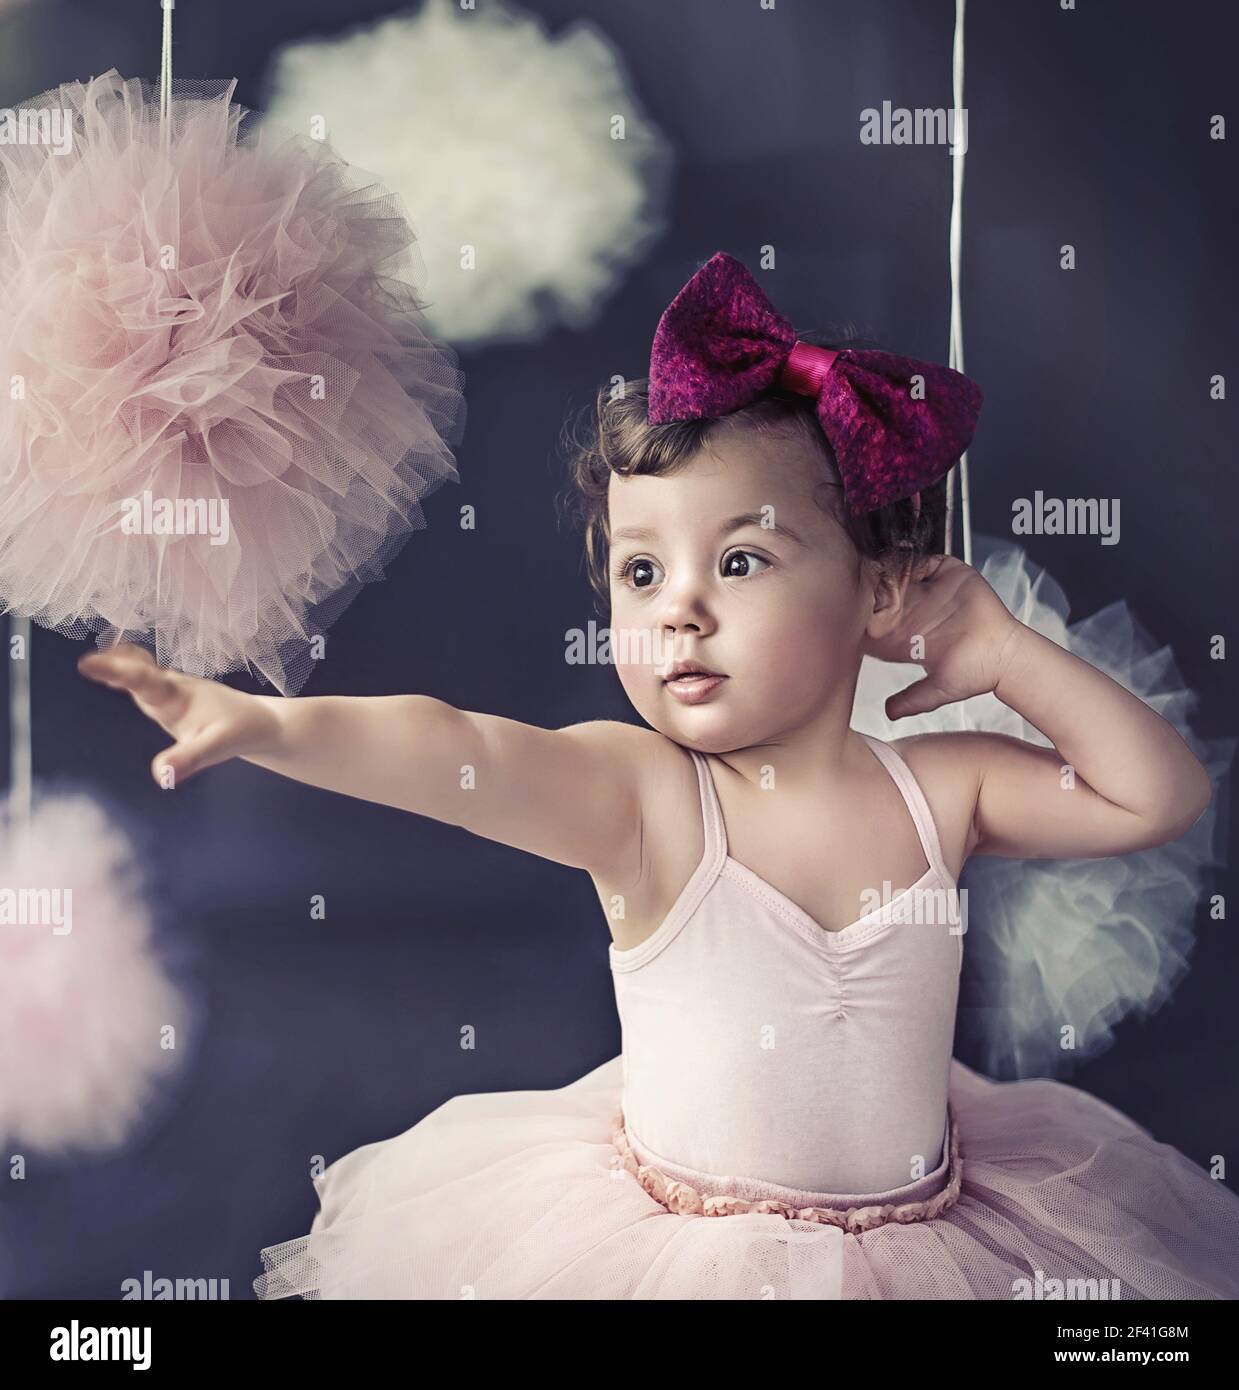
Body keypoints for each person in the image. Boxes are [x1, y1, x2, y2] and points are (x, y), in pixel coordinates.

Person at [80, 251, 1239, 1299]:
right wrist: (266, 724)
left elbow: (1159, 795)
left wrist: (1003, 654)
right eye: (642, 571)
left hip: (928, 1249)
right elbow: (459, 750)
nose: (679, 606)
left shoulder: (941, 788)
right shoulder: (650, 802)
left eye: (740, 560)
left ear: (880, 590)